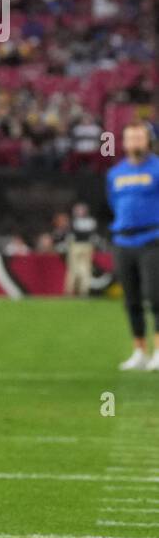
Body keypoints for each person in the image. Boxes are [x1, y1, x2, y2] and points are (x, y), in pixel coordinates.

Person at [109, 123, 159, 371]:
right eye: (131, 138)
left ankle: (158, 350)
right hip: (123, 241)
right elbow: (112, 202)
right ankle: (139, 350)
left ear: (148, 141)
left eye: (139, 137)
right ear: (125, 142)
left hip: (153, 238)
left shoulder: (157, 168)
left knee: (155, 295)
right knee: (131, 300)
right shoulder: (116, 173)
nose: (135, 142)